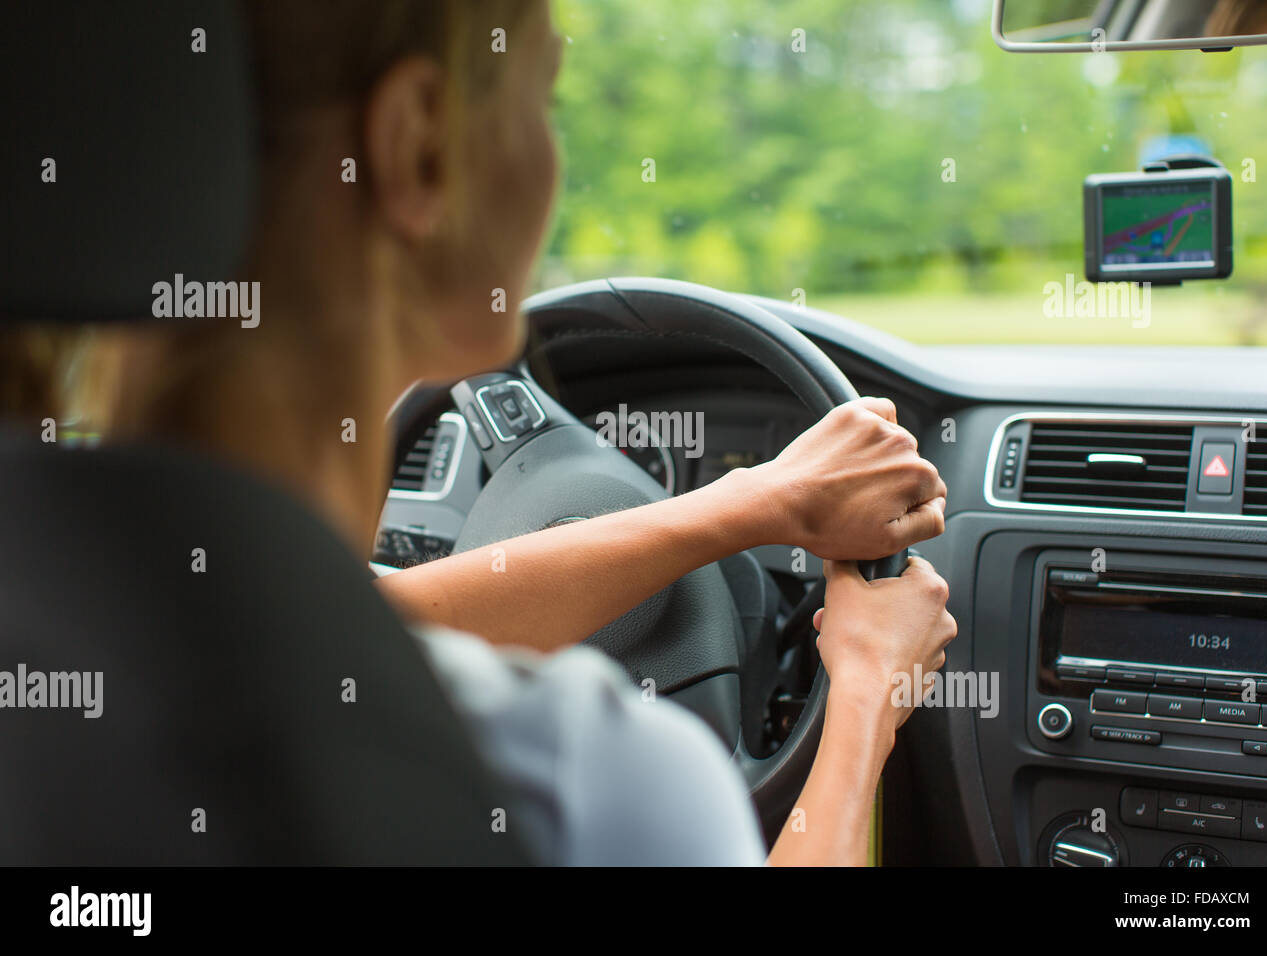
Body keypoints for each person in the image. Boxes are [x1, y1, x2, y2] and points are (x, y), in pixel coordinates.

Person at [72, 0, 956, 865]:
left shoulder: (77, 614)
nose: (553, 158)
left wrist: (754, 504)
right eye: (545, 98)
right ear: (419, 146)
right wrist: (866, 690)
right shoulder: (585, 775)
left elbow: (368, 620)